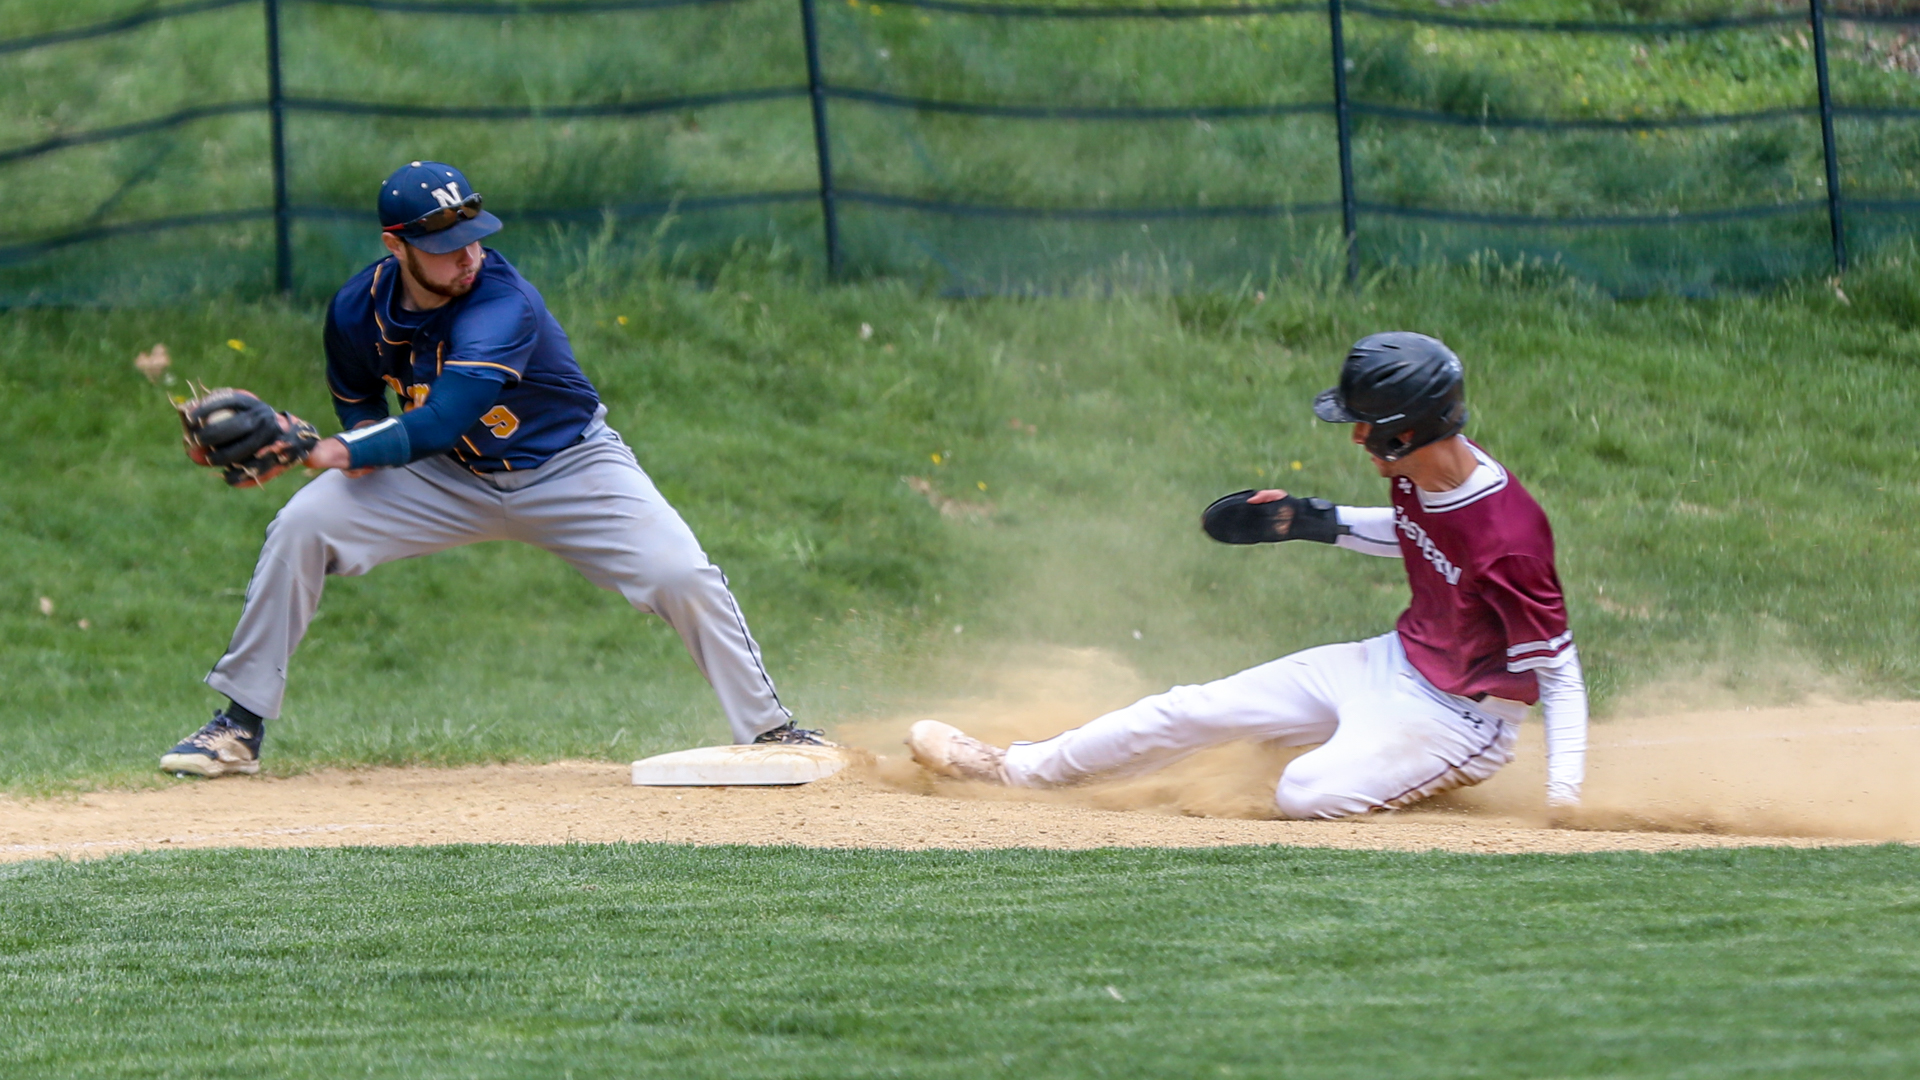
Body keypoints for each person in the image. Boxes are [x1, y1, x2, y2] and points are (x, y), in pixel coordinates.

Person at [160, 161, 823, 777]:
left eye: (474, 238)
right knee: (303, 523)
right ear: (398, 247)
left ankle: (770, 730)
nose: (468, 256)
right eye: (447, 248)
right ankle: (238, 728)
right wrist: (348, 448)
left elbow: (442, 417)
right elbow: (367, 419)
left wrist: (328, 449)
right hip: (444, 478)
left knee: (681, 574)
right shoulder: (355, 310)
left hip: (571, 468)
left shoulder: (502, 303)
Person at [907, 332, 1586, 818]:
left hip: (1463, 721)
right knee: (1192, 706)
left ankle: (1386, 762)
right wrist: (1312, 520)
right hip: (1394, 660)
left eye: (1365, 425)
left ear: (1405, 433)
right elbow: (1421, 540)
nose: (1355, 437)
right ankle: (1012, 769)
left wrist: (1565, 804)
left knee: (1304, 793)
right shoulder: (1426, 474)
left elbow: (1558, 670)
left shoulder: (1509, 539)